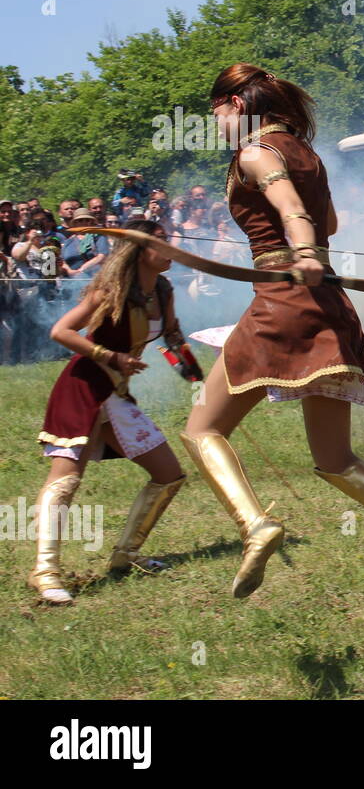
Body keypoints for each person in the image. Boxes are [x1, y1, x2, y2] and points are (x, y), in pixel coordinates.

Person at [184, 63, 364, 605]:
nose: (215, 122)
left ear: (237, 104)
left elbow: (295, 212)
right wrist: (310, 241)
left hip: (282, 302)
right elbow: (328, 220)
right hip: (326, 305)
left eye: (216, 110)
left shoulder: (256, 152)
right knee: (336, 460)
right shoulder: (305, 154)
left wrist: (302, 249)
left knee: (201, 430)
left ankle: (256, 526)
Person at [30, 219, 191, 604]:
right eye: (162, 242)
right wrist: (112, 356)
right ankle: (45, 571)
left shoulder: (163, 290)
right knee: (66, 480)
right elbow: (61, 331)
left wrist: (195, 371)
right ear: (140, 249)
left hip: (115, 395)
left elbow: (170, 339)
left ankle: (126, 555)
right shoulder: (111, 289)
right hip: (83, 388)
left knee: (168, 475)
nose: (170, 248)